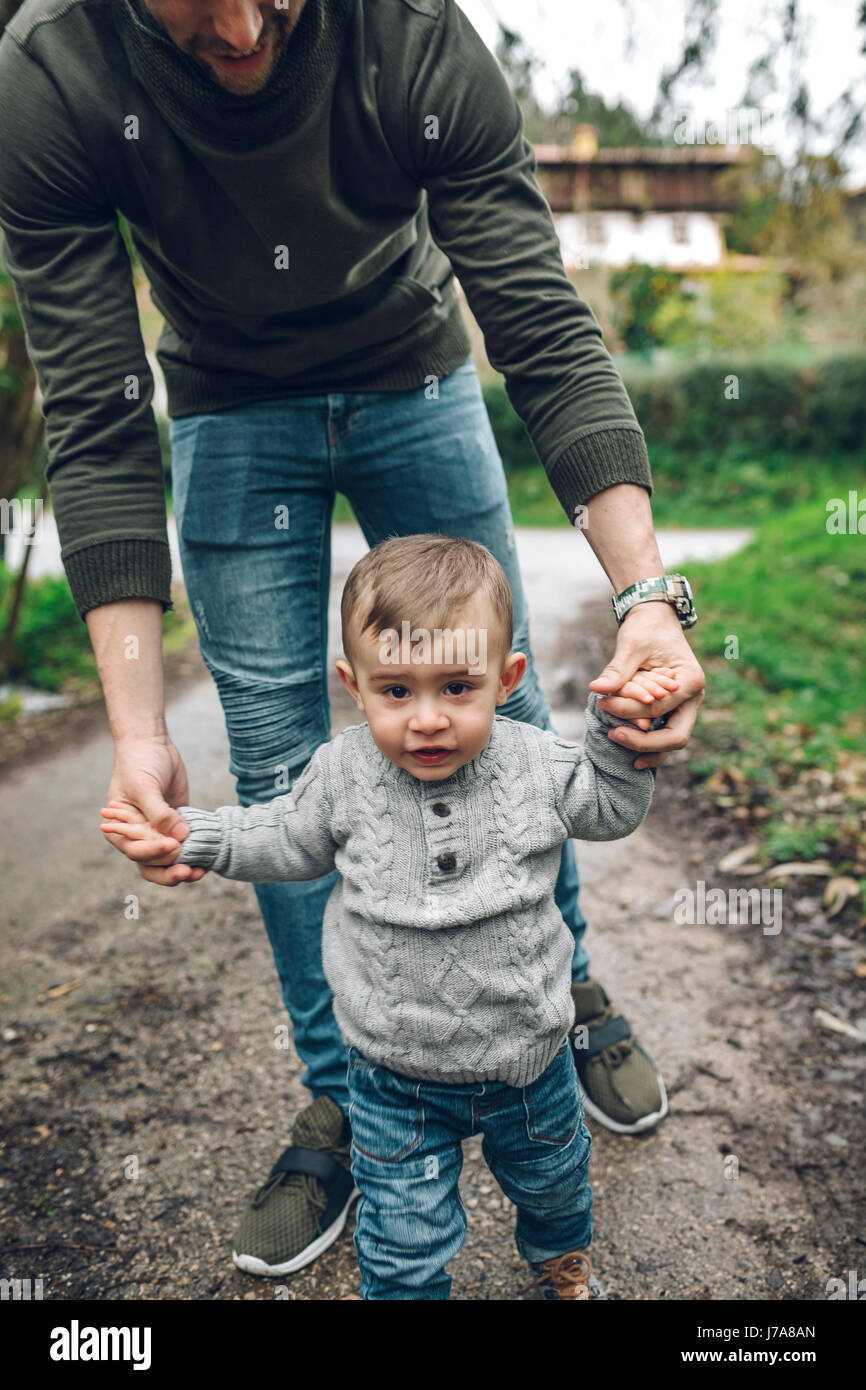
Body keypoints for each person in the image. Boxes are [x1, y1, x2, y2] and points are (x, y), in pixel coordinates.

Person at [0, 0, 705, 1277]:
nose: (242, 33)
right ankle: (353, 1095)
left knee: (505, 727)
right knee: (281, 774)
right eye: (193, 8)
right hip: (224, 403)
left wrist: (650, 598)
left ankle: (558, 1002)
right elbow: (99, 428)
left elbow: (540, 325)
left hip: (415, 376)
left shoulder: (408, 30)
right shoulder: (50, 72)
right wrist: (138, 730)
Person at [100, 534, 680, 1300]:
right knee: (402, 1242)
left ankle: (561, 1265)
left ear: (507, 679)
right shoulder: (342, 775)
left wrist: (617, 734)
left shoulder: (537, 763)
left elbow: (607, 808)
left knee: (554, 1187)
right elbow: (281, 834)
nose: (428, 720)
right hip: (393, 1077)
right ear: (354, 684)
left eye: (457, 688)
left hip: (529, 1059)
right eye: (397, 691)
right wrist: (195, 833)